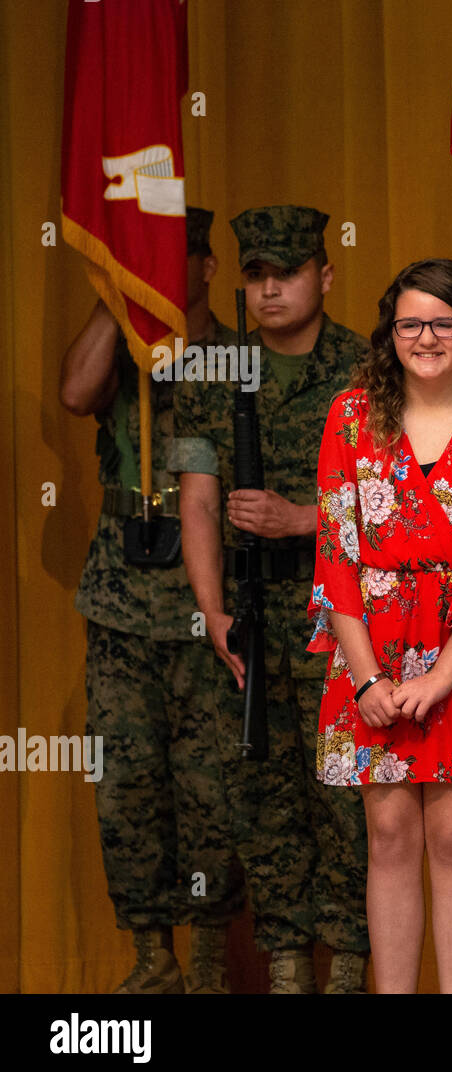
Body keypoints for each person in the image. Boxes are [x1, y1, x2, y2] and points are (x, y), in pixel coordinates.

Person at [309, 258, 452, 994]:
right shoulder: (350, 414)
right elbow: (336, 553)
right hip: (368, 651)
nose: (427, 336)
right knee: (392, 835)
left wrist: (441, 677)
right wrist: (370, 676)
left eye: (444, 321)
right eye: (411, 322)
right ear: (390, 332)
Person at [171, 204, 370, 993]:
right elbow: (196, 498)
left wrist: (302, 521)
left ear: (324, 275)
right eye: (256, 274)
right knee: (263, 799)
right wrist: (214, 611)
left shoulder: (367, 366)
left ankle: (349, 971)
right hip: (250, 617)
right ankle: (288, 971)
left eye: (287, 273)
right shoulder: (214, 370)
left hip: (342, 619)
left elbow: (398, 500)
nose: (270, 289)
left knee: (348, 801)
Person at [61, 206, 245, 994]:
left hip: (209, 601)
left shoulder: (238, 359)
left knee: (210, 787)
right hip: (121, 600)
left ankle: (206, 958)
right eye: (152, 259)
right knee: (128, 786)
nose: (169, 273)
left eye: (180, 259)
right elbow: (74, 393)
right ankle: (151, 956)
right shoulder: (127, 355)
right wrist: (117, 287)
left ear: (208, 267)